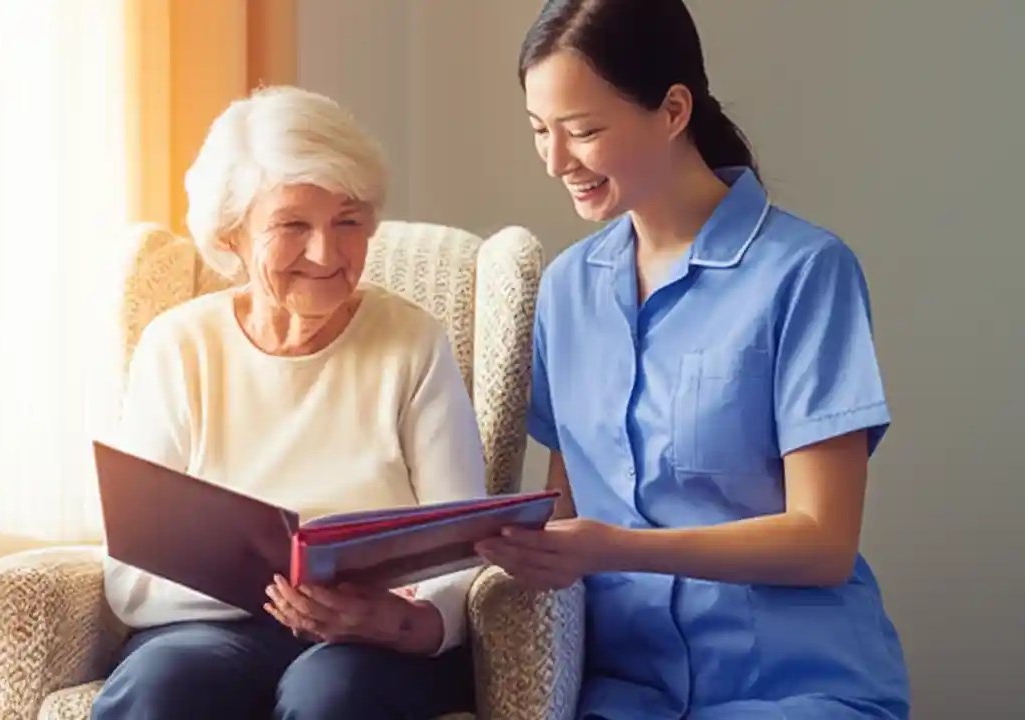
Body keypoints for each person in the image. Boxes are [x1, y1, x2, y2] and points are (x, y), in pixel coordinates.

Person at [474, 1, 911, 718]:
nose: (557, 162)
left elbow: (824, 541)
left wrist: (616, 549)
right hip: (624, 696)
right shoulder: (567, 291)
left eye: (583, 132)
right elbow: (565, 512)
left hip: (795, 686)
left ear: (673, 109)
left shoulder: (804, 272)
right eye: (539, 133)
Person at [91, 86, 481, 720]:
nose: (326, 254)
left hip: (369, 641)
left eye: (348, 221)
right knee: (162, 688)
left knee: (330, 698)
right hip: (209, 631)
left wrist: (402, 620)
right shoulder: (180, 346)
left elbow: (463, 547)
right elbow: (131, 575)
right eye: (293, 225)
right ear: (232, 237)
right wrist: (277, 596)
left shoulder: (413, 343)